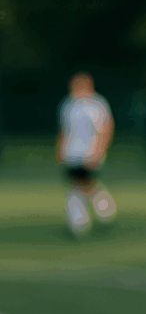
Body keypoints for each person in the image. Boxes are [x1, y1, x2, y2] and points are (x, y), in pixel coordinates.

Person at [56, 72, 116, 237]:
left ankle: (103, 212)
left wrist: (99, 150)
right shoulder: (68, 105)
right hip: (71, 153)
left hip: (89, 152)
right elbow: (64, 130)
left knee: (87, 185)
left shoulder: (96, 104)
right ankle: (80, 222)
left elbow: (105, 129)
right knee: (77, 186)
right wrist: (60, 150)